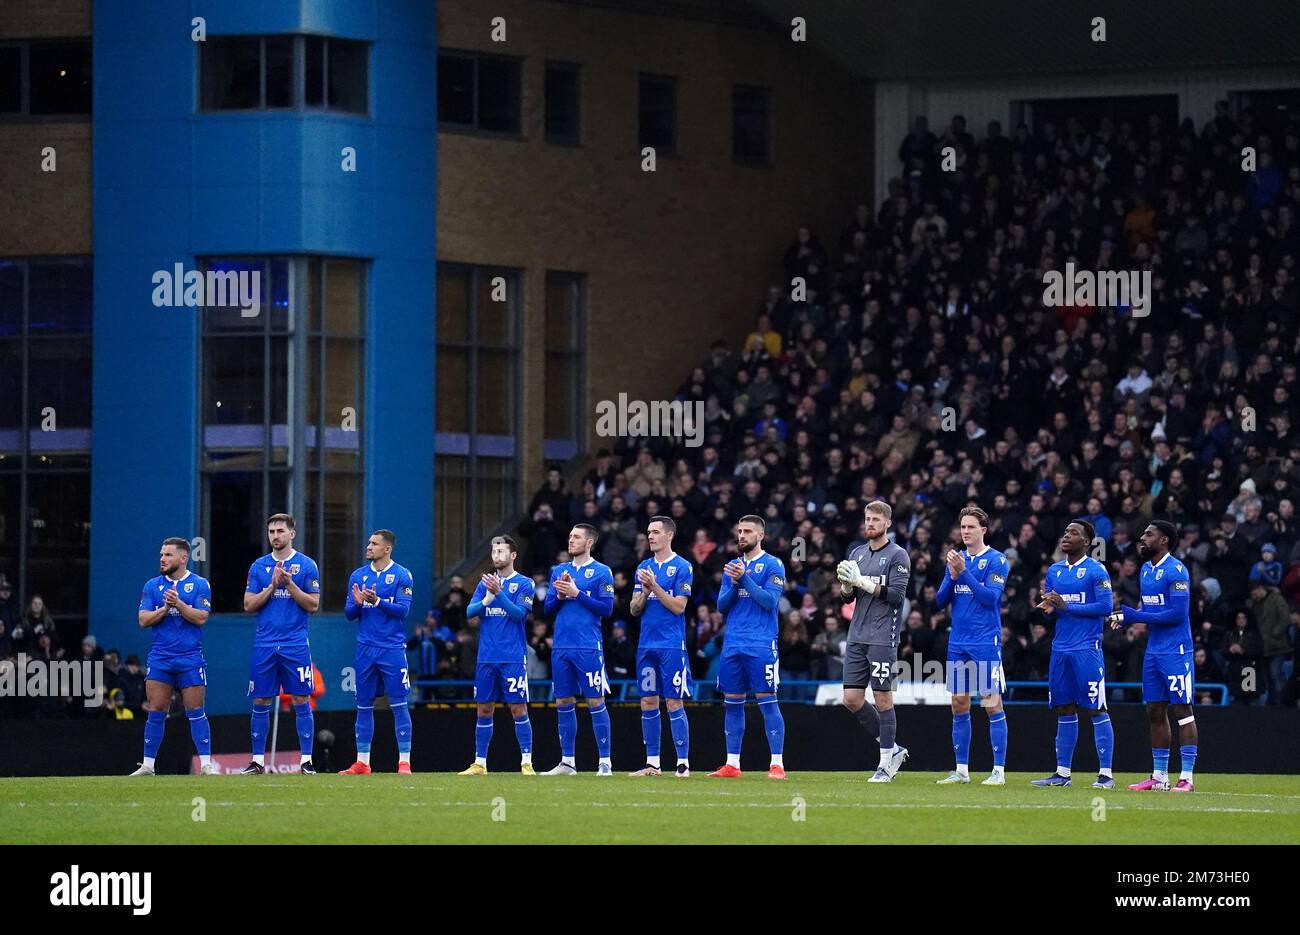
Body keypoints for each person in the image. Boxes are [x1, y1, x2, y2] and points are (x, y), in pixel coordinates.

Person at [1109, 521, 1198, 792]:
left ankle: (1187, 778)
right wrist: (1125, 617)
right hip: (1154, 650)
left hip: (1176, 650)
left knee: (1182, 710)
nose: (1142, 537)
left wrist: (1136, 616)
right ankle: (1159, 777)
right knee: (1154, 710)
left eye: (1149, 534)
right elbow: (1149, 608)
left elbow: (1177, 614)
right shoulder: (1147, 570)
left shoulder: (1177, 570)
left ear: (1165, 540)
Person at [1031, 520, 1117, 789]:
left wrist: (1066, 606)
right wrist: (1050, 607)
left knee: (1096, 708)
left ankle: (1106, 775)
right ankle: (1062, 774)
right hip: (1061, 648)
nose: (1067, 536)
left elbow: (1105, 607)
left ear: (1087, 542)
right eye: (1066, 531)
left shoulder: (1096, 570)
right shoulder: (1055, 571)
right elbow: (1058, 609)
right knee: (1064, 709)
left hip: (1086, 649)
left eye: (1074, 533)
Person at [934, 506, 1010, 786]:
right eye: (962, 527)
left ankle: (998, 771)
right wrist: (953, 576)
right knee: (958, 702)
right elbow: (940, 601)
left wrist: (963, 574)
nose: (965, 532)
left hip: (985, 642)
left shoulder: (997, 560)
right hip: (958, 642)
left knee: (991, 703)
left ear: (983, 530)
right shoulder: (956, 559)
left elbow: (990, 598)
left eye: (970, 527)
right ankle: (962, 770)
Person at [837, 501, 912, 782]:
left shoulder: (898, 555)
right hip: (857, 634)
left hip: (883, 636)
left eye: (876, 520)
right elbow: (848, 599)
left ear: (887, 524)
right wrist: (846, 586)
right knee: (852, 698)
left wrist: (864, 583)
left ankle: (885, 765)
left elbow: (896, 596)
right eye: (867, 519)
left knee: (882, 697)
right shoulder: (857, 553)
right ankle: (892, 748)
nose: (870, 523)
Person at [241, 513, 321, 775]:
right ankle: (257, 761)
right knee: (261, 700)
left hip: (295, 643)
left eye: (280, 531)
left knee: (301, 698)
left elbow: (313, 604)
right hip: (265, 643)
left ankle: (306, 761)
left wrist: (290, 585)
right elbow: (249, 605)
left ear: (292, 534)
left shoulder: (307, 565)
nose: (275, 536)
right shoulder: (258, 566)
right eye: (271, 532)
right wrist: (272, 587)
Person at [710, 514, 788, 780]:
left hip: (761, 643)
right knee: (732, 704)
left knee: (767, 701)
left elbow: (769, 601)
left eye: (747, 531)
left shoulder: (773, 565)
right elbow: (721, 606)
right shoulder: (732, 566)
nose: (741, 536)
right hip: (733, 643)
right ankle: (732, 763)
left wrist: (744, 580)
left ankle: (777, 764)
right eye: (739, 531)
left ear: (760, 536)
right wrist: (734, 583)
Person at [128, 538, 214, 776]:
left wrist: (179, 604)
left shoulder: (199, 584)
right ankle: (148, 765)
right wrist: (165, 609)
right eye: (161, 555)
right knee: (156, 709)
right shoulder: (152, 586)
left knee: (196, 709)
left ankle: (206, 764)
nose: (162, 559)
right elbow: (143, 620)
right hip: (161, 657)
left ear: (183, 558)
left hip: (190, 657)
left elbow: (201, 617)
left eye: (167, 555)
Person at [338, 530, 415, 776]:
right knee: (363, 705)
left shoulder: (402, 575)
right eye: (369, 542)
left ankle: (404, 761)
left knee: (399, 704)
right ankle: (362, 762)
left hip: (391, 648)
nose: (368, 546)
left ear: (387, 549)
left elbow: (403, 612)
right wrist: (359, 602)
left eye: (374, 544)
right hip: (365, 649)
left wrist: (378, 600)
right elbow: (349, 614)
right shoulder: (358, 576)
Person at [458, 535, 537, 775]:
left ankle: (526, 762)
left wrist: (498, 595)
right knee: (483, 709)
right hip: (486, 657)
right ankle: (480, 763)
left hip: (512, 656)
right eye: (494, 552)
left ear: (513, 556)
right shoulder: (485, 584)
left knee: (518, 708)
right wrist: (488, 597)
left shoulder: (525, 583)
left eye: (501, 552)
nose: (496, 556)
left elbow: (519, 615)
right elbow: (470, 612)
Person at [542, 524, 615, 775]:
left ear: (589, 542)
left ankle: (605, 761)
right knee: (563, 700)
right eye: (570, 536)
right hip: (561, 645)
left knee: (595, 700)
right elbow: (547, 608)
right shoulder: (559, 571)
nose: (570, 540)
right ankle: (567, 762)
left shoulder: (602, 572)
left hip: (588, 646)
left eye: (576, 537)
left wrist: (576, 593)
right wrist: (560, 596)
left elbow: (606, 609)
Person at [628, 516, 694, 777]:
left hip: (671, 647)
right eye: (648, 532)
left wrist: (654, 586)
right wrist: (645, 591)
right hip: (647, 646)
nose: (650, 536)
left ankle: (683, 764)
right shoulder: (643, 567)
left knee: (674, 702)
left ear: (669, 536)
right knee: (647, 701)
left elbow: (679, 606)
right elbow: (633, 609)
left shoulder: (682, 566)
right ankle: (652, 763)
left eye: (655, 532)